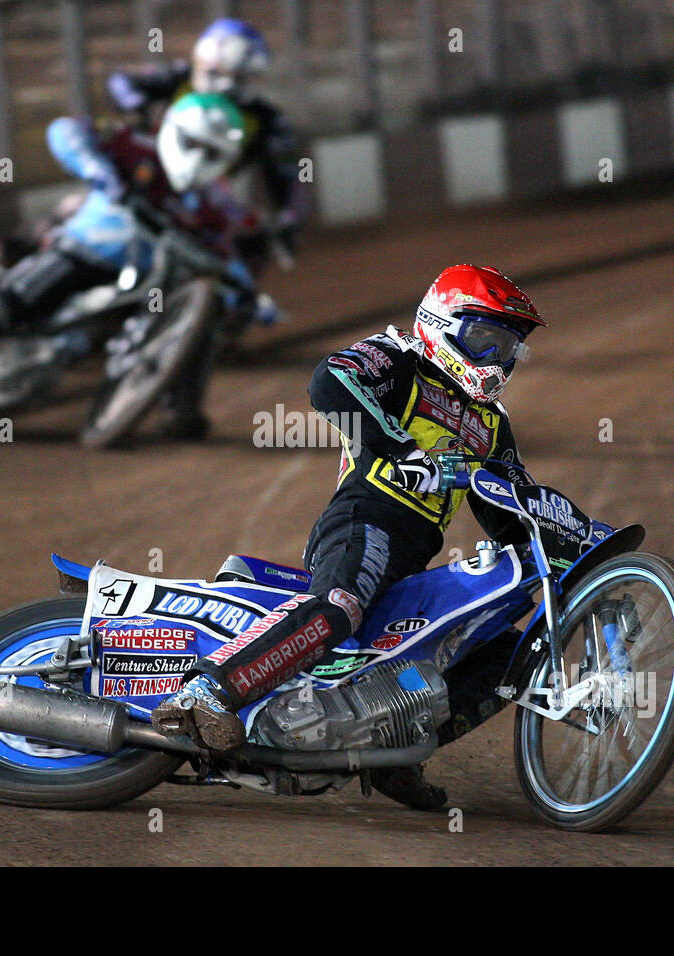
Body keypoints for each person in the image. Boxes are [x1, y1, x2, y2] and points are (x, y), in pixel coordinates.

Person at [151, 264, 548, 809]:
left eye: (508, 347)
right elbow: (330, 382)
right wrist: (399, 450)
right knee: (340, 605)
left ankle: (399, 749)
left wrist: (559, 526)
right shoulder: (400, 360)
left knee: (505, 645)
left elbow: (511, 508)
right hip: (366, 521)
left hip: (413, 559)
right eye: (485, 339)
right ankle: (209, 691)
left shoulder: (492, 425)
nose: (498, 358)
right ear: (442, 323)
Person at [0, 92, 254, 439]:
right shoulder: (133, 144)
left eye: (212, 153)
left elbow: (225, 255)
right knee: (12, 300)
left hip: (145, 288)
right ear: (172, 130)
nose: (198, 158)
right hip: (85, 250)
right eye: (192, 144)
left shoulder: (217, 203)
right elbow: (66, 131)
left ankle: (181, 410)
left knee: (206, 321)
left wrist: (244, 293)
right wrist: (96, 168)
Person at [107, 17, 307, 271]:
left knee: (243, 259)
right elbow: (121, 81)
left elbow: (290, 175)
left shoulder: (265, 119)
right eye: (222, 73)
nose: (228, 86)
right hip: (145, 174)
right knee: (75, 208)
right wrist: (138, 108)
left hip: (203, 197)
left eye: (244, 77)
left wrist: (288, 221)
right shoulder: (179, 76)